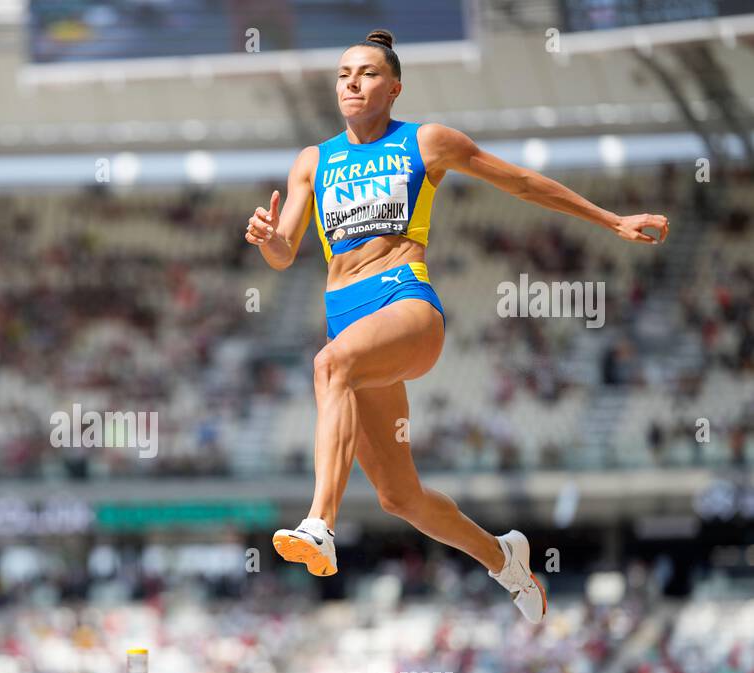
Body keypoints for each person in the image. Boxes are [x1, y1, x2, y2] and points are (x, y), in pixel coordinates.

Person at [245, 29, 669, 622]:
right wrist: (268, 240)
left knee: (329, 364)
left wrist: (610, 220)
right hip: (349, 319)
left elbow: (519, 181)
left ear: (394, 87)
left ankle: (320, 523)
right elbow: (286, 251)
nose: (351, 83)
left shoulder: (425, 141)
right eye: (343, 74)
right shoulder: (312, 162)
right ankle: (504, 559)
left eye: (366, 73)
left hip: (406, 307)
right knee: (399, 497)